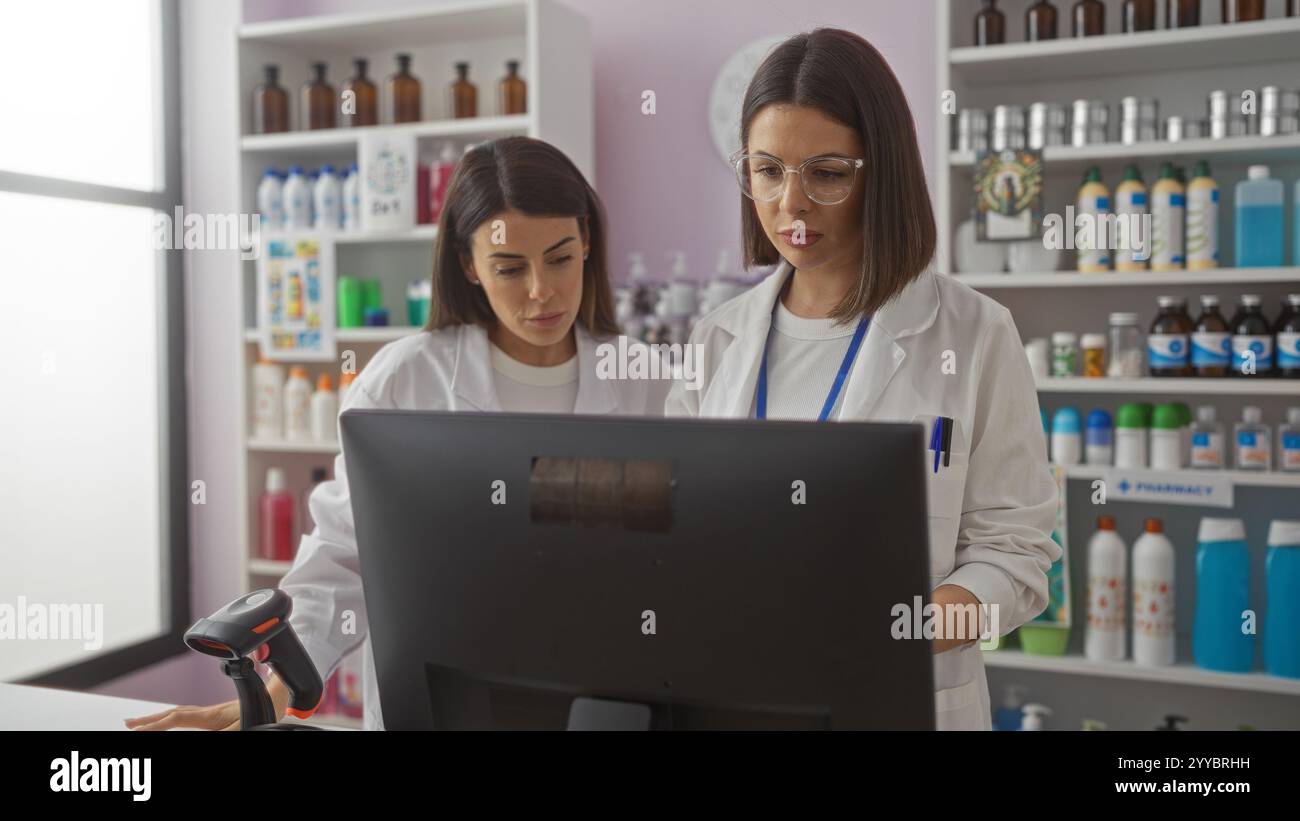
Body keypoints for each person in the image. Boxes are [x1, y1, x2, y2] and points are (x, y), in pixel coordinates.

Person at [127, 137, 669, 731]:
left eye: (561, 257)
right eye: (509, 267)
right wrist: (272, 692)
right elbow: (343, 555)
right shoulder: (407, 379)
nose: (541, 290)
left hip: (606, 696)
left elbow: (684, 557)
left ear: (587, 241)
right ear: (469, 263)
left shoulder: (649, 380)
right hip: (446, 701)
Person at [665, 28, 1060, 730]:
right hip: (735, 695)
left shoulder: (974, 332)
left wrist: (893, 628)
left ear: (881, 171)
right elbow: (670, 525)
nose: (791, 205)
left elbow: (1017, 558)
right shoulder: (716, 338)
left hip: (897, 700)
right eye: (767, 170)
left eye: (826, 172)